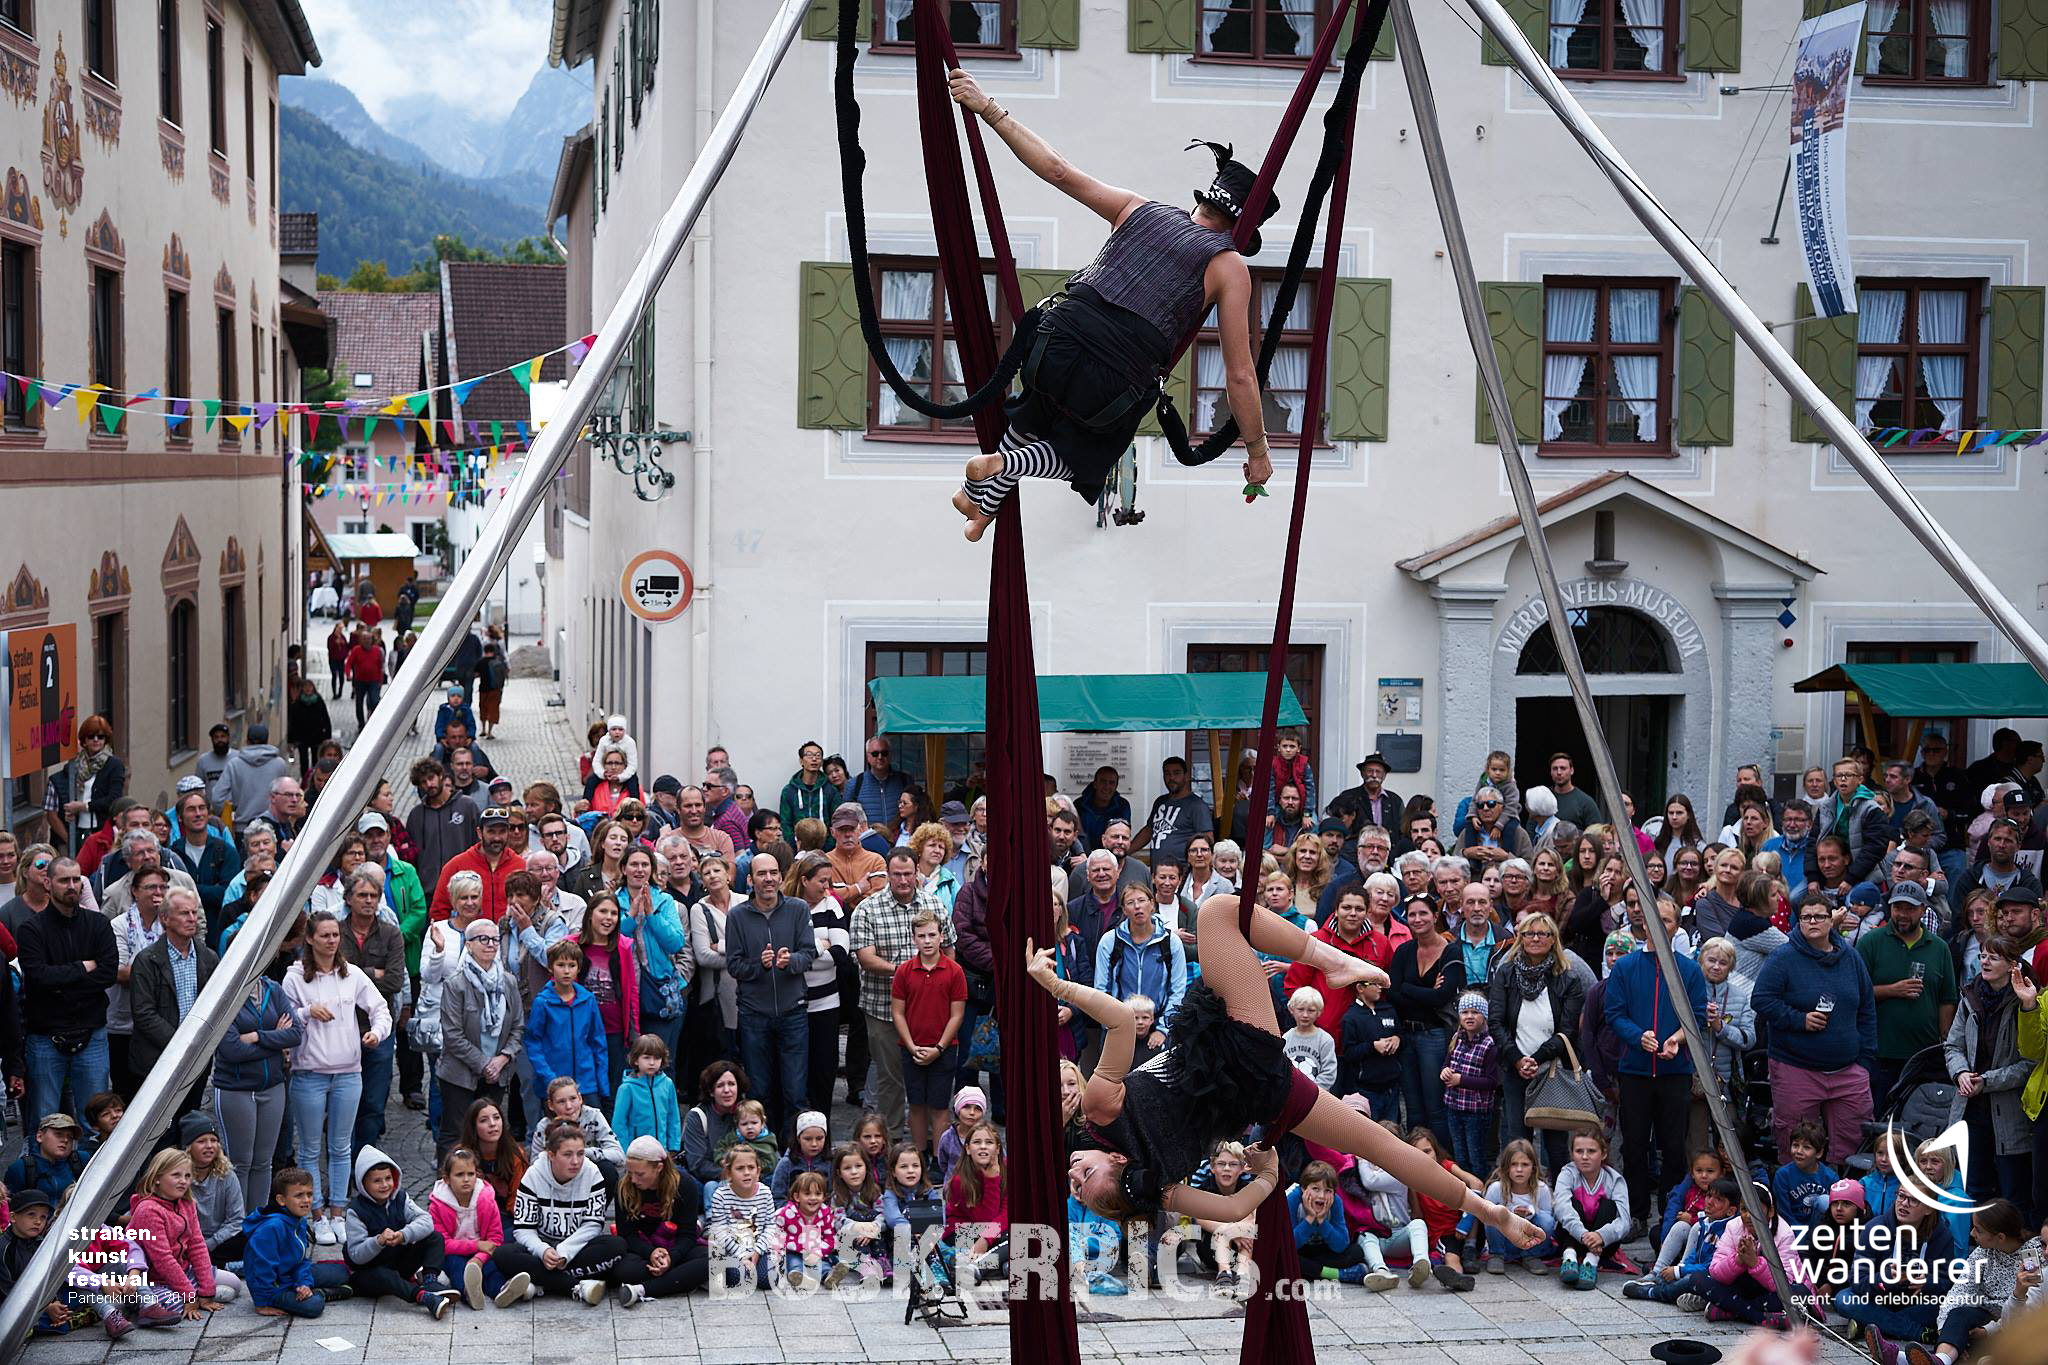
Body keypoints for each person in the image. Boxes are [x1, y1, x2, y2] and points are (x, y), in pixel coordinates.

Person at [1030, 891, 1539, 1256]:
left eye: (1072, 1183)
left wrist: (1270, 1174)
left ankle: (1491, 1211)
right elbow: (1120, 1018)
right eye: (1084, 1178)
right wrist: (1057, 986)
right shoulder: (1099, 1108)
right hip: (1235, 1048)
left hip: (1266, 1100)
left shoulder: (1159, 1189)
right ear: (1115, 1159)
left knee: (1384, 1148)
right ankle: (1333, 959)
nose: (1072, 1171)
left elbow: (1230, 1214)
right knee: (1218, 911)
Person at [942, 77, 1275, 536]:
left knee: (1039, 403)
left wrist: (990, 110)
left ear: (1204, 200)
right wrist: (1257, 450)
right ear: (1243, 230)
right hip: (1111, 384)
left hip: (1050, 346)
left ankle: (979, 505)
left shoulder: (1138, 209)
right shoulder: (1229, 266)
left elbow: (1057, 170)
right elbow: (1239, 374)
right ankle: (1001, 463)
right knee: (1090, 455)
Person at [283, 909, 391, 1244]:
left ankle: (339, 1211)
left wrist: (377, 1033)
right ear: (311, 939)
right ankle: (314, 1212)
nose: (332, 941)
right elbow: (283, 1021)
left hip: (348, 1072)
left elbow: (380, 1008)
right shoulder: (295, 978)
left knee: (342, 1146)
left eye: (335, 935)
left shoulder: (353, 974)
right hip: (310, 1073)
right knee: (310, 1148)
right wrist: (305, 1012)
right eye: (325, 935)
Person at [1752, 891, 1878, 1166]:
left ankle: (1847, 1202)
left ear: (1831, 920)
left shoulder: (1851, 958)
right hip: (1796, 1067)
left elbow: (1867, 1008)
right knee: (1796, 1146)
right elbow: (1761, 1000)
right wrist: (1800, 1020)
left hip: (1848, 1071)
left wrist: (1865, 1061)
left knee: (1854, 1146)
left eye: (1819, 916)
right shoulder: (1783, 957)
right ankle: (1795, 1202)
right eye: (1806, 917)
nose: (1812, 922)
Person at [17, 857, 117, 1125]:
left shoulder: (99, 924)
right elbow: (38, 978)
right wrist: (83, 968)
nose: (72, 886)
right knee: (45, 1122)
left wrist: (61, 981)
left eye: (76, 879)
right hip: (45, 1036)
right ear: (48, 883)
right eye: (64, 880)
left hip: (91, 1031)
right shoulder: (31, 929)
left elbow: (107, 974)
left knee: (95, 1121)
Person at [724, 850, 815, 1136]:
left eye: (773, 873)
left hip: (793, 1012)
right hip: (754, 1014)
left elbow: (809, 953)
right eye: (762, 874)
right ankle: (764, 1153)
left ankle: (797, 1154)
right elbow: (734, 965)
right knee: (759, 1090)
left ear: (781, 876)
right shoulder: (737, 916)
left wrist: (791, 963)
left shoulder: (798, 909)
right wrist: (759, 966)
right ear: (750, 880)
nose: (769, 879)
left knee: (796, 1091)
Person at [1487, 911, 1585, 1174]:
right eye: (1529, 933)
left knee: (1555, 1145)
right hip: (1514, 1067)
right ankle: (1522, 1198)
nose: (1535, 938)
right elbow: (1495, 1022)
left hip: (1552, 1069)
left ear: (1553, 939)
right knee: (1518, 1141)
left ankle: (1561, 1200)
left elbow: (1568, 1030)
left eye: (1543, 933)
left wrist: (1537, 1059)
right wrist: (1518, 1059)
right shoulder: (1506, 973)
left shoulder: (1568, 977)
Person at [493, 1121, 627, 1304]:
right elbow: (523, 1228)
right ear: (551, 1155)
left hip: (576, 1249)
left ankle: (540, 1283)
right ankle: (576, 1287)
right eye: (567, 1154)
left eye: (580, 1154)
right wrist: (543, 1250)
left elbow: (593, 1225)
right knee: (503, 1254)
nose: (576, 1161)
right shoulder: (533, 1175)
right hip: (542, 1247)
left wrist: (565, 1252)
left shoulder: (592, 1173)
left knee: (617, 1246)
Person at [1942, 935, 2032, 1204]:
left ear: (2012, 964)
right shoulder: (1969, 996)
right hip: (1970, 1107)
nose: (1985, 962)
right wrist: (1960, 1073)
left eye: (1993, 957)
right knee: (1974, 1188)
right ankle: (1978, 1245)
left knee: (2014, 1192)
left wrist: (1987, 1081)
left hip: (2011, 1111)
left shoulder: (2025, 1002)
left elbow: (2029, 1063)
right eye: (1982, 955)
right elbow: (1952, 1046)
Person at [130, 888, 219, 1130]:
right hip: (157, 1058)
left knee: (190, 1123)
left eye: (194, 912)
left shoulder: (208, 957)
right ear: (165, 919)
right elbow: (143, 1013)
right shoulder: (147, 960)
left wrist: (199, 1045)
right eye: (184, 913)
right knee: (158, 1129)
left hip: (197, 1058)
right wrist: (180, 1044)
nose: (192, 918)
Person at [212, 969, 300, 1214]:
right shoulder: (224, 993)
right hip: (236, 1089)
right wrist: (274, 1040)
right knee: (239, 1163)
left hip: (272, 1085)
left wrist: (255, 1037)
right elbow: (231, 1050)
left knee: (263, 1162)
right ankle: (236, 1225)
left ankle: (257, 1221)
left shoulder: (273, 988)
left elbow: (295, 1034)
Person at [436, 917, 524, 1154]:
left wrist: (502, 1059)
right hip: (460, 1074)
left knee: (491, 1136)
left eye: (494, 939)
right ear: (468, 944)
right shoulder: (456, 984)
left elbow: (518, 1027)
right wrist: (485, 1064)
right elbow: (452, 1035)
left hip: (497, 1072)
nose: (490, 944)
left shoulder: (508, 982)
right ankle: (447, 1186)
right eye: (482, 939)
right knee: (455, 1135)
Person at [126, 1146, 234, 1316]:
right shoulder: (148, 1210)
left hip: (181, 1270)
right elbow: (163, 1260)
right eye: (176, 1175)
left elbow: (197, 1245)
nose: (183, 1181)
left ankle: (195, 1291)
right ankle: (137, 1303)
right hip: (151, 1278)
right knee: (176, 1308)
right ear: (157, 1179)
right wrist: (190, 1296)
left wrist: (207, 1291)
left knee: (233, 1282)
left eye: (187, 1176)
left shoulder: (187, 1203)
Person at [1390, 898, 1463, 1142]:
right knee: (1412, 1106)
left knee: (1435, 1105)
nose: (1418, 919)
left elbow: (1442, 997)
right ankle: (1415, 1163)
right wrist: (1426, 992)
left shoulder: (1451, 951)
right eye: (1412, 915)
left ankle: (1441, 1162)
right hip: (1406, 1034)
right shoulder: (1404, 951)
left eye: (1423, 913)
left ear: (1435, 916)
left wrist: (1408, 988)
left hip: (1434, 1035)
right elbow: (1393, 993)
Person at [244, 1168, 356, 1318]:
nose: (306, 1200)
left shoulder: (298, 1220)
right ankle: (320, 1294)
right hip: (275, 1288)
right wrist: (262, 1304)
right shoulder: (271, 1228)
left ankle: (308, 1290)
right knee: (314, 1306)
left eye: (309, 1194)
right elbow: (261, 1270)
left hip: (290, 1275)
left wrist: (303, 1283)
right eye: (299, 1195)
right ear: (281, 1200)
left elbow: (301, 1261)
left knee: (342, 1273)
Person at [430, 1146, 532, 1310]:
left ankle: (502, 1291)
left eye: (471, 1174)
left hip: (484, 1250)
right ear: (447, 1178)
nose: (466, 1179)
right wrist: (476, 1245)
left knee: (491, 1268)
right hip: (454, 1252)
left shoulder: (486, 1198)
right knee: (457, 1267)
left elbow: (496, 1237)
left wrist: (479, 1257)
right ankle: (468, 1292)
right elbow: (443, 1244)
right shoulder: (438, 1204)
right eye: (459, 1175)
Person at [615, 1137, 709, 1301]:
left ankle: (642, 1290)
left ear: (659, 1168)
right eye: (630, 1172)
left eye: (640, 1174)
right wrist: (650, 1252)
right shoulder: (624, 1188)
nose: (633, 1179)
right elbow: (626, 1235)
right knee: (622, 1269)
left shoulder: (684, 1184)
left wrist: (671, 1258)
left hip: (675, 1246)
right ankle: (680, 1280)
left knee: (714, 1259)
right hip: (643, 1249)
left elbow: (687, 1235)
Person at [527, 941, 609, 1103]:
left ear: (578, 968)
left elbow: (598, 1043)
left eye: (572, 965)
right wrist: (548, 1077)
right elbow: (533, 1043)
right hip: (554, 1082)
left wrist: (602, 1083)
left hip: (586, 1083)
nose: (566, 971)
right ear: (551, 967)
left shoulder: (588, 1000)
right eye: (561, 965)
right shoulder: (542, 1002)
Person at [1553, 1128, 1631, 1289]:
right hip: (1573, 1237)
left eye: (1591, 1151)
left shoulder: (1614, 1180)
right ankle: (1569, 1258)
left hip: (1602, 1243)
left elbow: (1625, 1220)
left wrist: (1600, 1235)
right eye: (1579, 1151)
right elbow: (1561, 1207)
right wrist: (1582, 1234)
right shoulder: (1567, 1174)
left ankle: (1591, 1262)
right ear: (1572, 1154)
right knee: (1571, 1206)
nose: (1585, 1157)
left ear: (1603, 1154)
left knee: (1609, 1206)